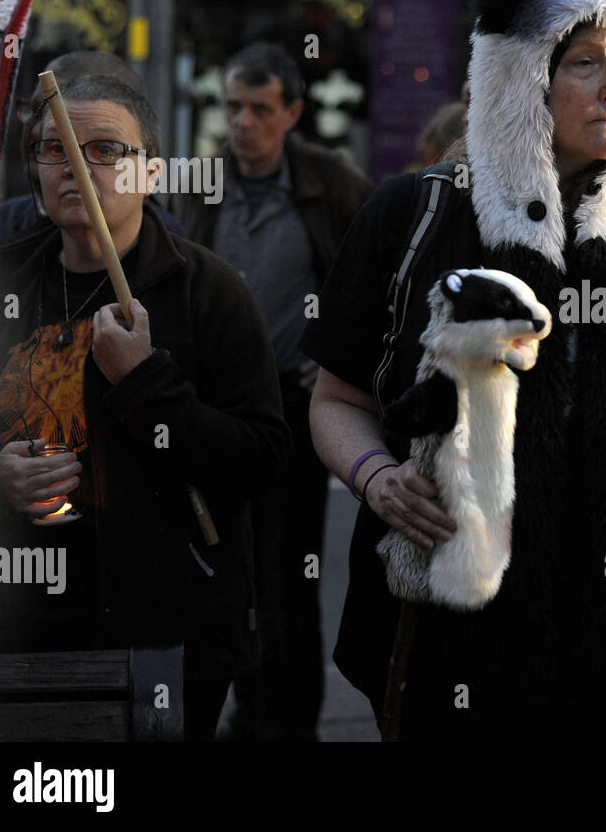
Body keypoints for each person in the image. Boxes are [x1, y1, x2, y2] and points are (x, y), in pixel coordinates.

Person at [301, 0, 606, 740]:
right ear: (520, 77)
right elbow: (334, 400)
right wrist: (376, 479)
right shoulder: (413, 215)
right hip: (450, 640)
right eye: (584, 62)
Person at [0, 74, 289, 741]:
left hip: (161, 633)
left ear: (152, 173)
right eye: (54, 149)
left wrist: (144, 384)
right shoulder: (0, 281)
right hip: (13, 623)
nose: (76, 167)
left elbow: (261, 461)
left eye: (106, 150)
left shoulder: (209, 293)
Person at [172, 42, 370, 741]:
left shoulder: (332, 183)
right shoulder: (200, 183)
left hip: (291, 410)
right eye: (232, 107)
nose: (243, 123)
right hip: (215, 411)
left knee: (288, 576)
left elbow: (375, 282)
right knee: (224, 568)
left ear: (291, 112)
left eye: (260, 109)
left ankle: (286, 724)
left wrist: (340, 363)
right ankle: (240, 710)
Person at [0, 52, 186, 288]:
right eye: (36, 111)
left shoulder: (172, 257)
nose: (39, 130)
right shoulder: (5, 223)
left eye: (104, 149)